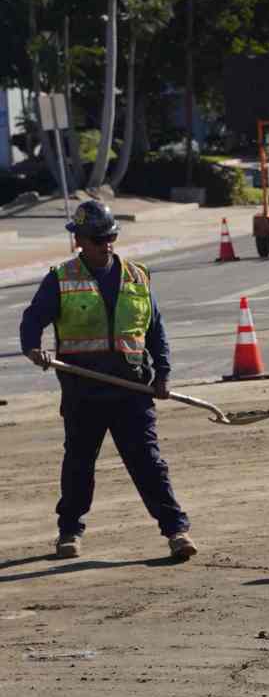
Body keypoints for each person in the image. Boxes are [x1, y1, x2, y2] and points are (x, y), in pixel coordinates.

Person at [18, 199, 196, 562]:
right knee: (79, 464)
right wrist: (33, 349)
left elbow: (155, 330)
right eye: (98, 239)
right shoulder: (61, 278)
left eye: (111, 237)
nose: (107, 245)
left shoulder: (137, 276)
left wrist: (163, 374)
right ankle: (69, 532)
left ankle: (176, 531)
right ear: (79, 240)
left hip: (132, 390)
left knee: (148, 463)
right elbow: (32, 320)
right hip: (84, 391)